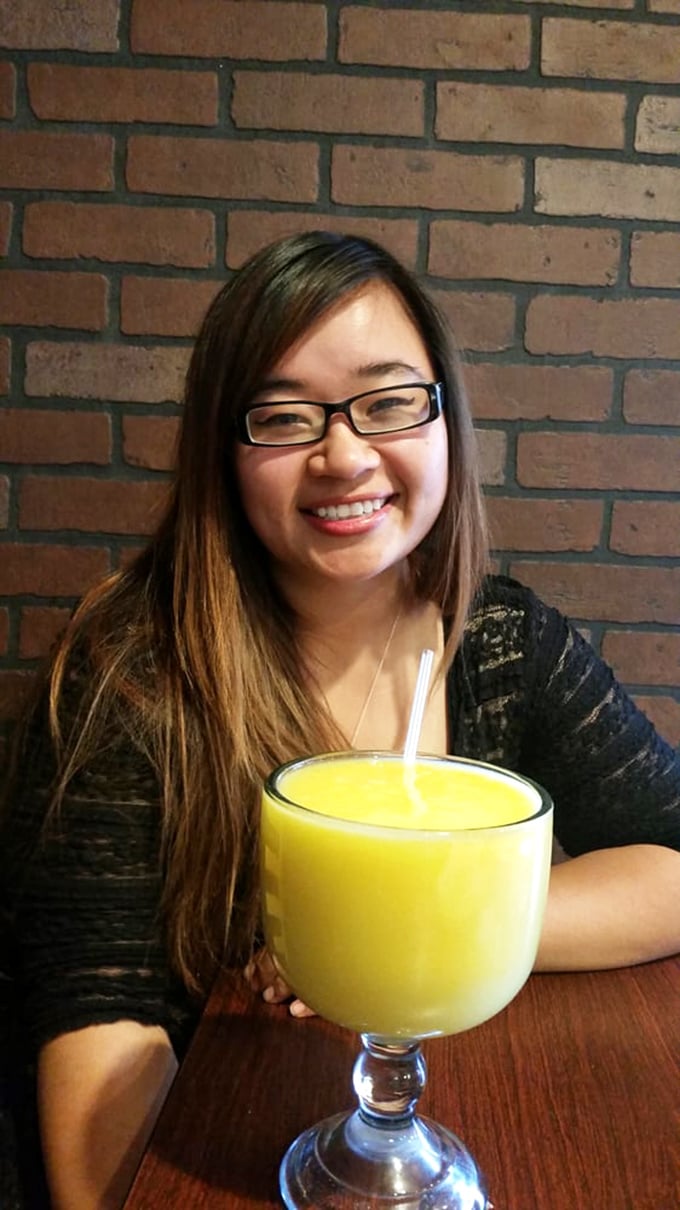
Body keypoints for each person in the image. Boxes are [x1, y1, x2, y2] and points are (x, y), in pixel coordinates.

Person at [1, 231, 679, 1209]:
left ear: (444, 416)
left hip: (462, 1130)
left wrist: (443, 940)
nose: (344, 453)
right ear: (223, 453)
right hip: (222, 1150)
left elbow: (665, 857)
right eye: (281, 416)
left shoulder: (497, 642)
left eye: (390, 400)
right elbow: (94, 1019)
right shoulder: (130, 681)